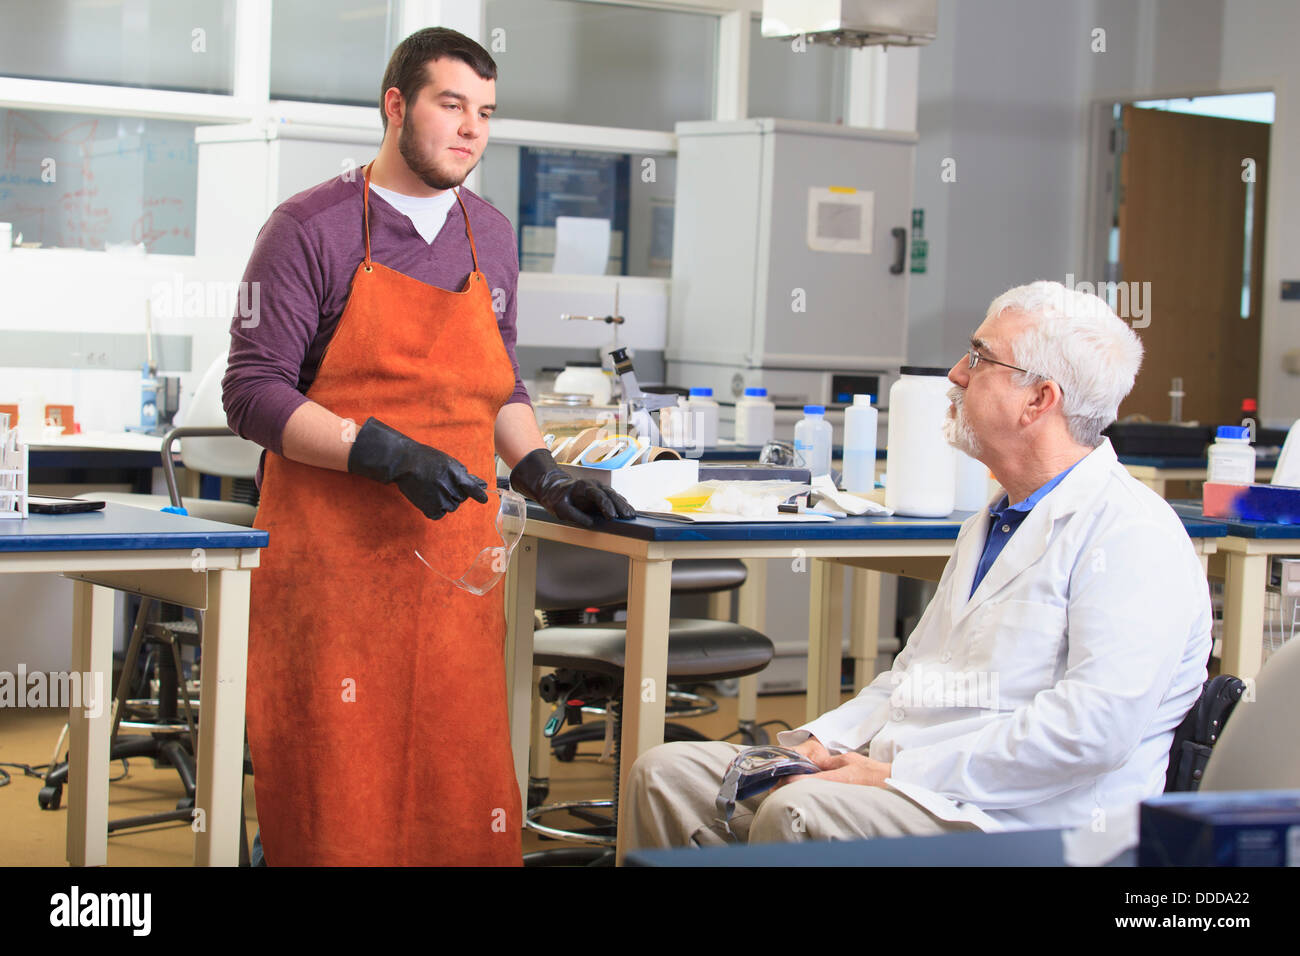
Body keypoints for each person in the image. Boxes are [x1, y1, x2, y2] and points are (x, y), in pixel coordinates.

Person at [222, 27, 634, 866]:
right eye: (451, 105)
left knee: (455, 787)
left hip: (454, 569)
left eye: (485, 112)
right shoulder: (308, 228)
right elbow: (253, 390)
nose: (471, 129)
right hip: (332, 571)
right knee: (335, 795)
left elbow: (500, 387)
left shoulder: (491, 234)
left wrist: (544, 472)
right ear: (396, 105)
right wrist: (378, 451)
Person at [626, 280, 1212, 848]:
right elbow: (912, 676)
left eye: (981, 359)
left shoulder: (1132, 533)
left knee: (799, 811)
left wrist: (895, 771)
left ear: (1040, 399)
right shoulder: (995, 521)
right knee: (668, 775)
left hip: (1026, 818)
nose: (956, 375)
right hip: (916, 781)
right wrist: (820, 743)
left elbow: (1091, 734)